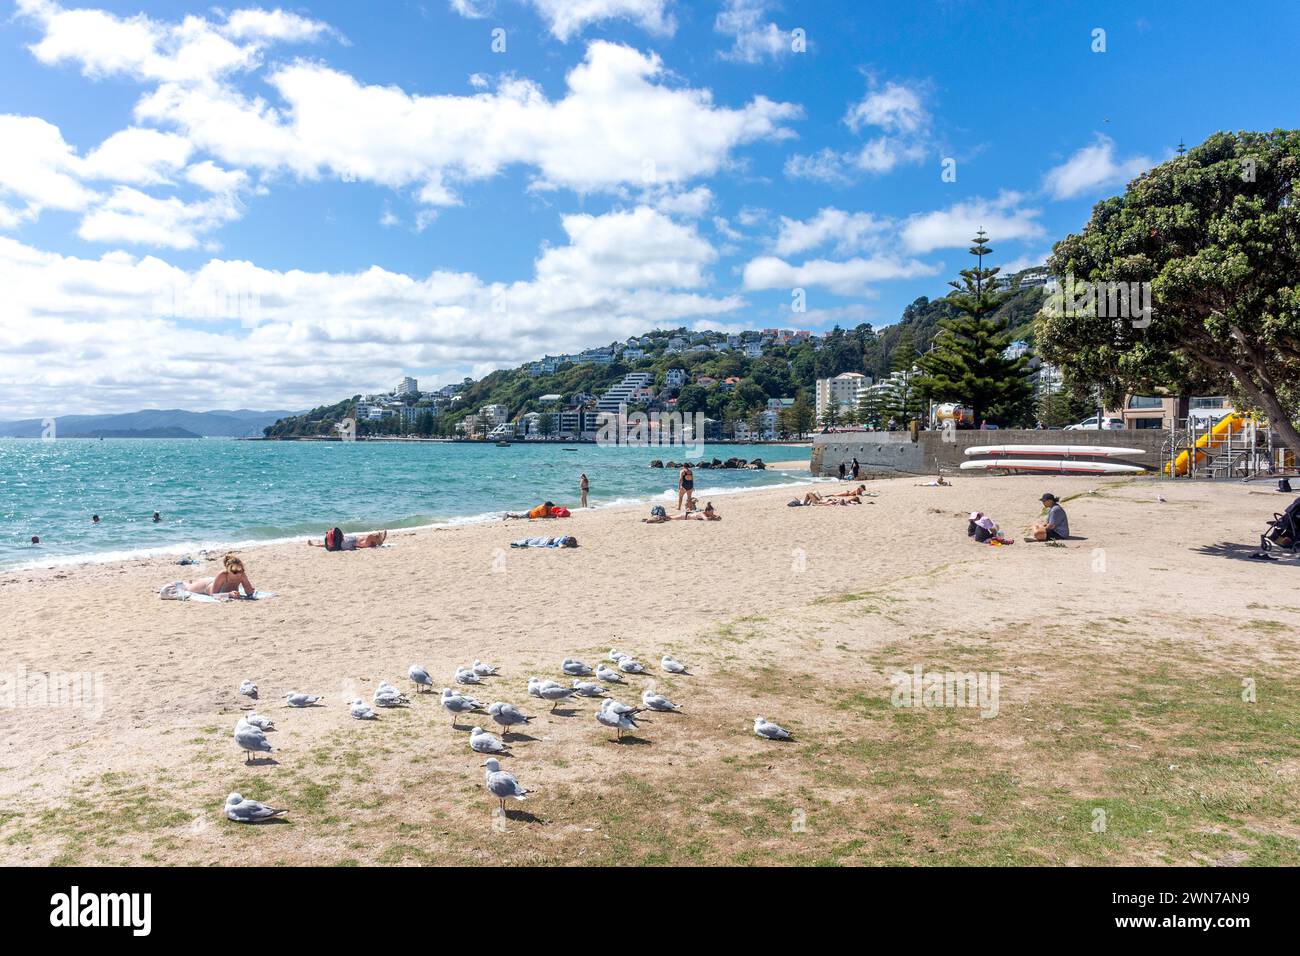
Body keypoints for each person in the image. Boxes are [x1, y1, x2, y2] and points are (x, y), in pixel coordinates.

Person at [182, 553, 255, 599]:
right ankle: (190, 583)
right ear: (228, 570)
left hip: (216, 582)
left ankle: (193, 582)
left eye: (241, 571)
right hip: (206, 585)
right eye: (235, 572)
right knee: (188, 588)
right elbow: (213, 595)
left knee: (193, 584)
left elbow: (249, 592)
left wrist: (250, 590)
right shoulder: (223, 575)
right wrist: (229, 594)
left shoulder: (242, 575)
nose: (238, 574)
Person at [308, 530, 388, 550]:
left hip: (357, 539)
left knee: (371, 536)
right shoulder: (338, 544)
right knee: (370, 536)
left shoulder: (340, 539)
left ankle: (379, 539)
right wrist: (314, 545)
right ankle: (380, 541)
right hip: (360, 543)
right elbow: (325, 545)